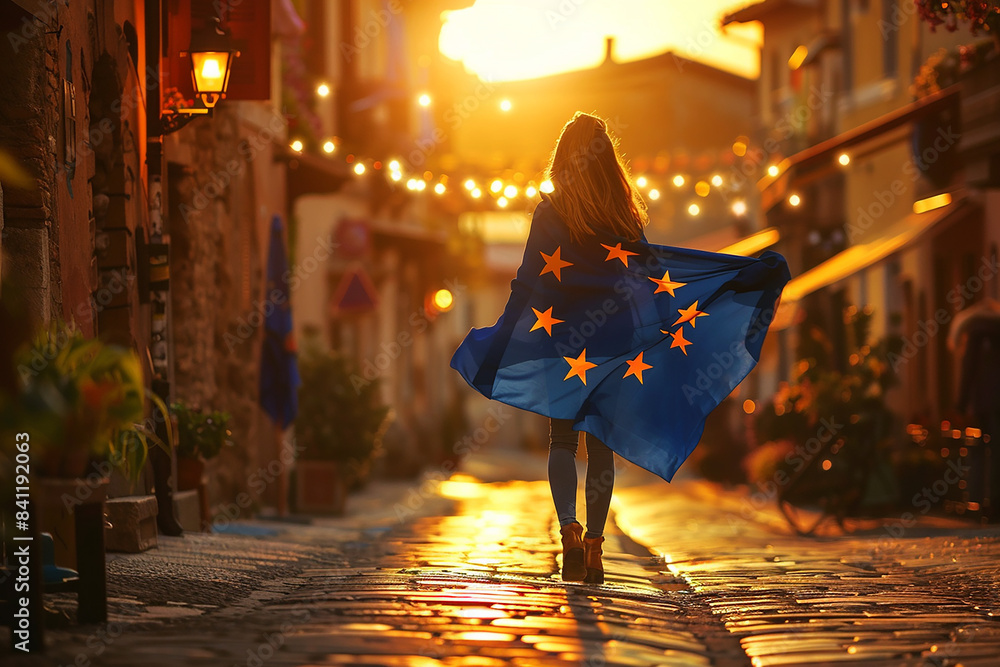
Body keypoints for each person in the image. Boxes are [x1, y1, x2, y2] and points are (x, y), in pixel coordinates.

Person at [451, 112, 789, 583]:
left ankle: (567, 529)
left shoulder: (550, 213)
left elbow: (528, 280)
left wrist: (505, 331)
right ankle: (594, 546)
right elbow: (653, 275)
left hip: (562, 342)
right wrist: (730, 280)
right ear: (608, 162)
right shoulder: (623, 216)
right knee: (601, 445)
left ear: (562, 160)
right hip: (614, 346)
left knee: (561, 440)